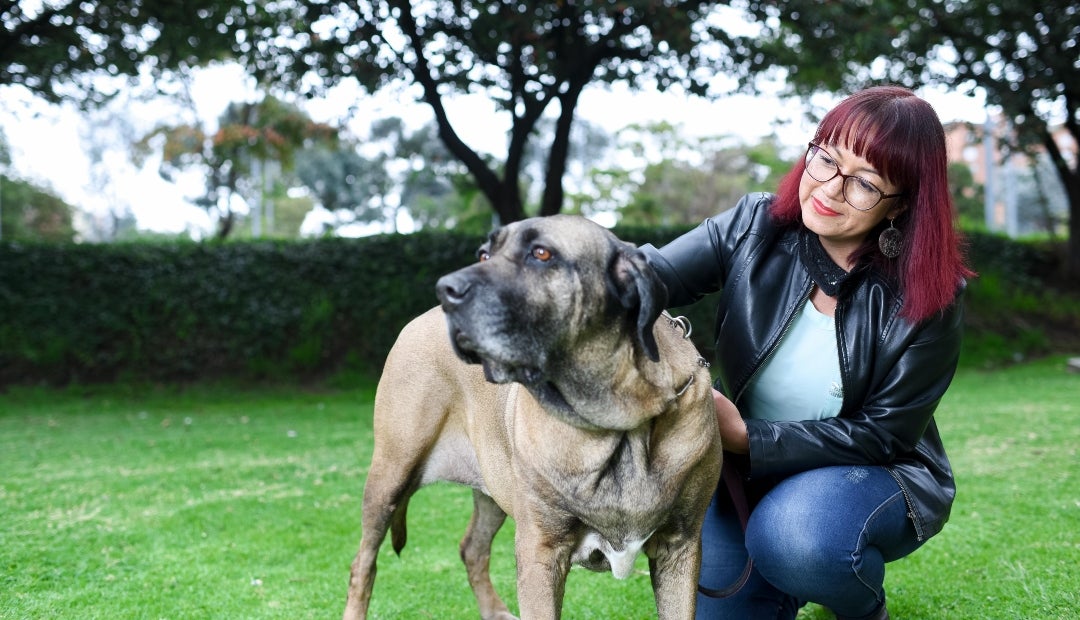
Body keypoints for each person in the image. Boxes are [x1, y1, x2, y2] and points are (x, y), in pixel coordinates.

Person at [640, 85, 974, 620]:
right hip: (743, 476)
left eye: (865, 182)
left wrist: (747, 437)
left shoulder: (929, 295)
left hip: (874, 475)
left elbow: (883, 435)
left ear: (902, 203)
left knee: (797, 538)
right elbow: (642, 279)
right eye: (825, 158)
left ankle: (859, 607)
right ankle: (787, 579)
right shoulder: (754, 225)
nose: (830, 189)